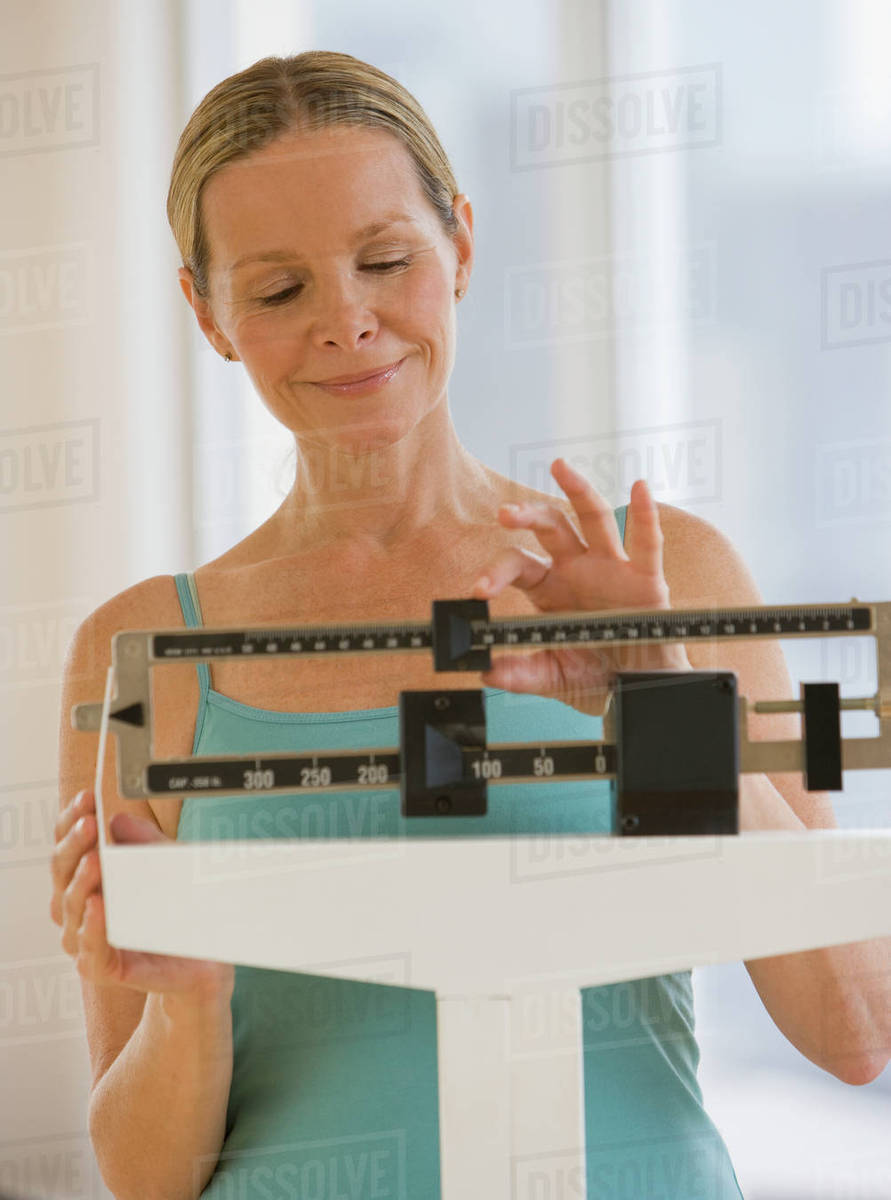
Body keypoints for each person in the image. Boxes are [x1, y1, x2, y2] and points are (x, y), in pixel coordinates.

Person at [51, 50, 889, 1200]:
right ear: (207, 314)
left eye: (386, 260)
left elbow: (852, 1029)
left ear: (464, 248)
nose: (347, 323)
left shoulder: (665, 575)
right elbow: (148, 1180)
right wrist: (190, 996)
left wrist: (661, 694)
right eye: (281, 290)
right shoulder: (143, 653)